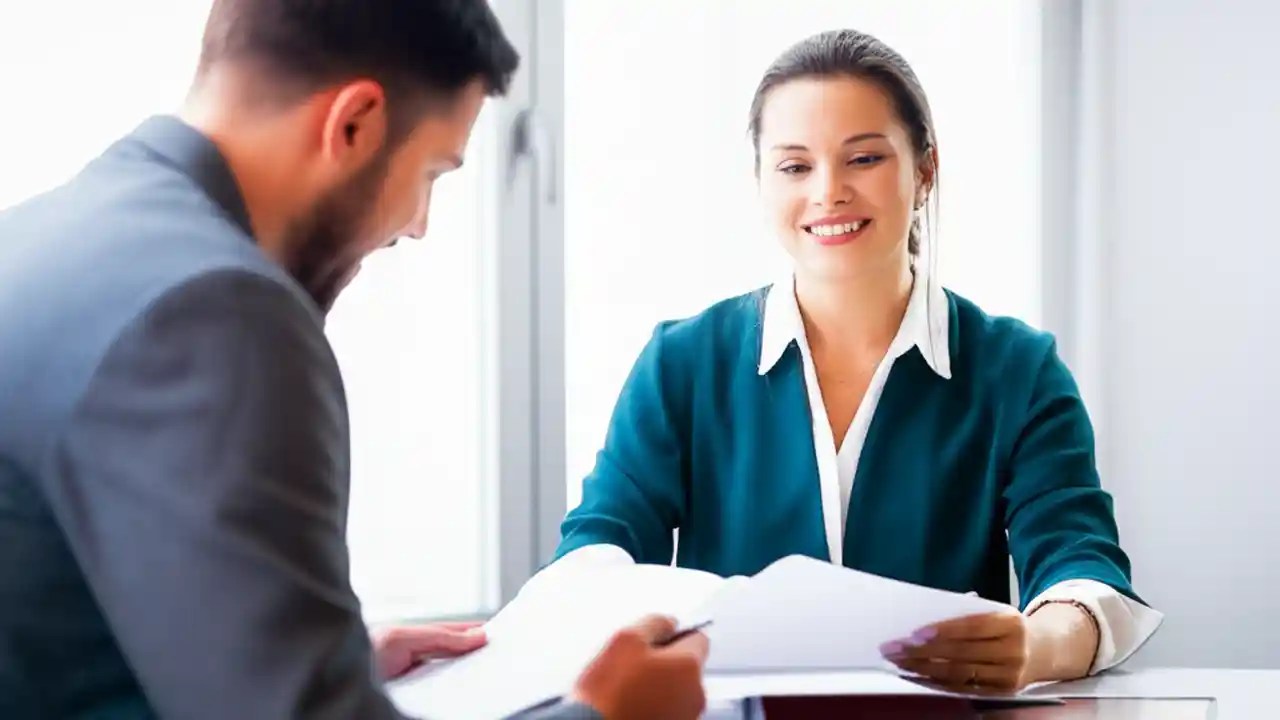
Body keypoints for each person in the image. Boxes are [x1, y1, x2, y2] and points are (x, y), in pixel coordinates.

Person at [0, 1, 707, 718]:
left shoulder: (41, 235)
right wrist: (608, 714)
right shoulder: (215, 311)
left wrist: (324, 658)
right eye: (432, 172)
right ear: (355, 124)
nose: (418, 226)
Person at [553, 29, 1162, 692]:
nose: (829, 191)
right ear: (760, 182)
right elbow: (599, 545)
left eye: (864, 158)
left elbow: (1081, 561)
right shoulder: (681, 364)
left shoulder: (1018, 368)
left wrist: (1041, 644)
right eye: (794, 166)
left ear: (925, 170)